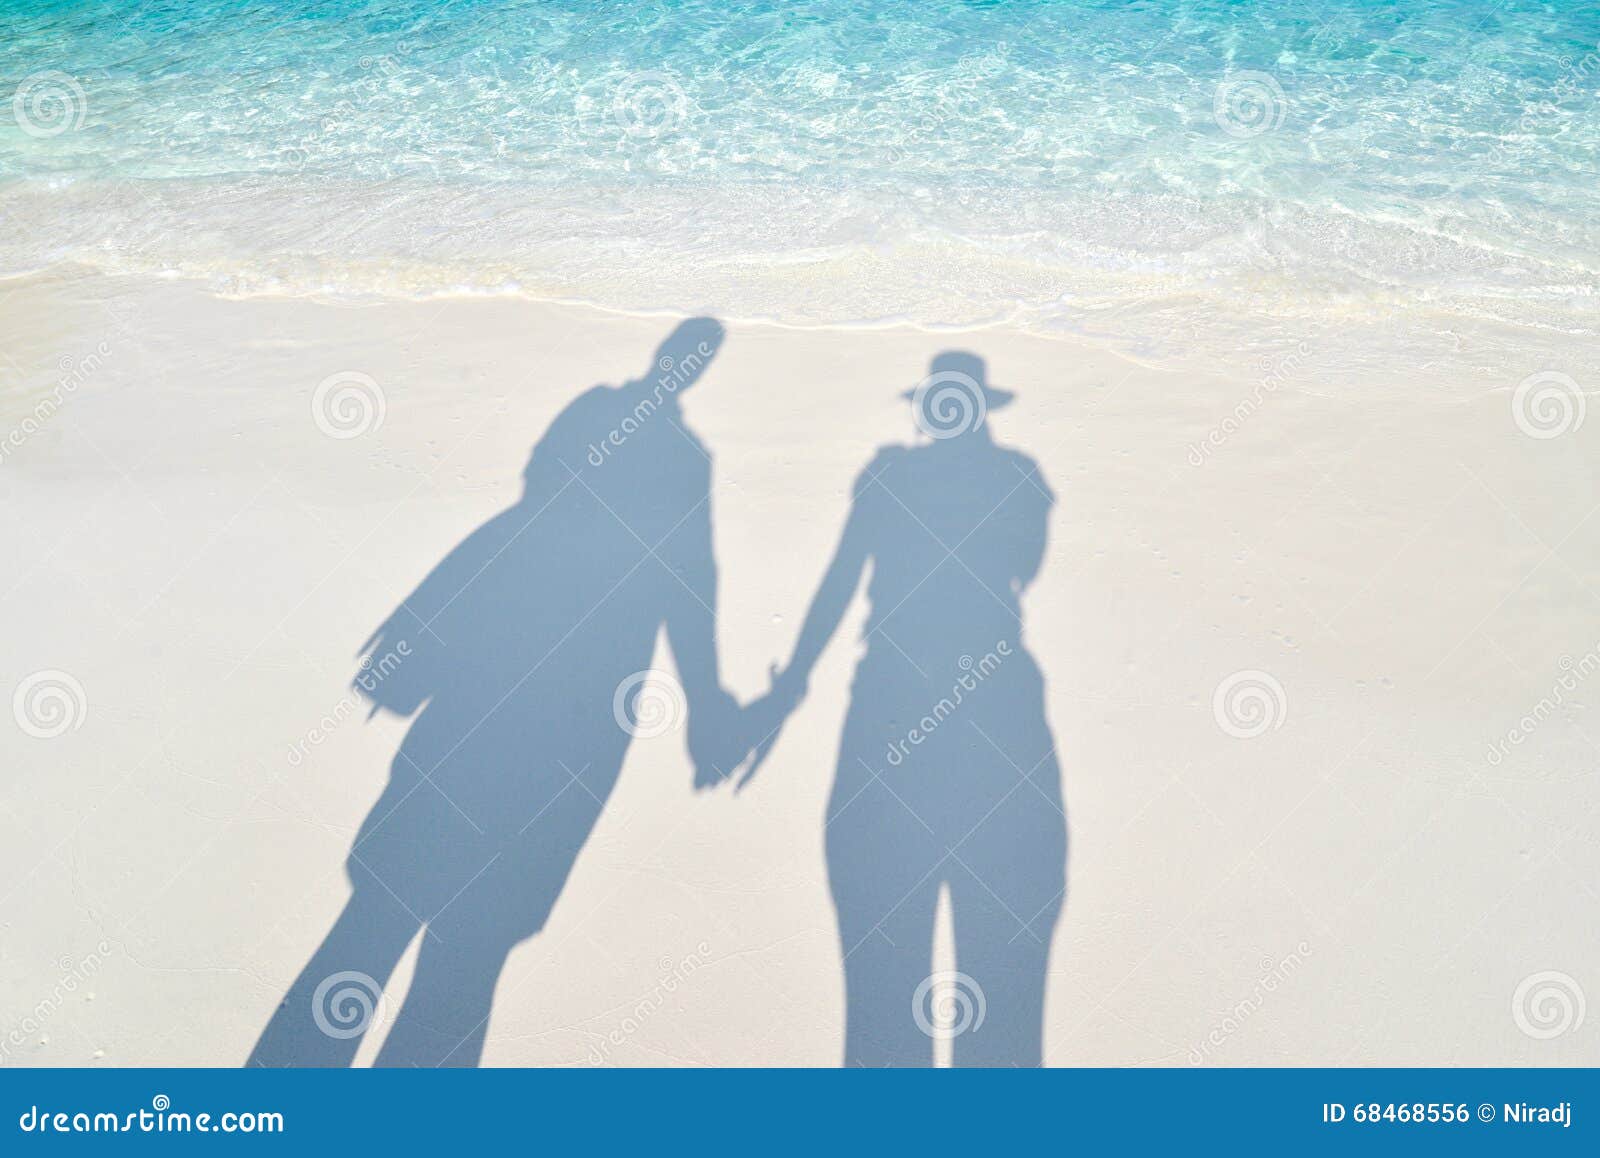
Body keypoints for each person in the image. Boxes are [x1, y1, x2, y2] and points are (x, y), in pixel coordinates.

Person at [249, 318, 741, 1066]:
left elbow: (537, 501)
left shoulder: (591, 422)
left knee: (380, 915)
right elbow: (688, 588)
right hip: (583, 707)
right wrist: (705, 710)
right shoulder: (681, 461)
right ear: (696, 369)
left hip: (493, 675)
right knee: (470, 948)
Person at [742, 351, 1066, 1066]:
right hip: (998, 705)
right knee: (1006, 986)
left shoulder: (889, 477)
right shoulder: (1019, 479)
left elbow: (838, 584)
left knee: (881, 978)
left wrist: (790, 685)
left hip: (891, 700)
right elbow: (1024, 570)